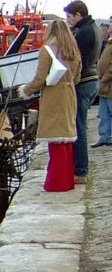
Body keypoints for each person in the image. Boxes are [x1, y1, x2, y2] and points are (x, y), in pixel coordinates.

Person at [19, 18, 82, 192]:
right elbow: (77, 78)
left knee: (55, 142)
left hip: (54, 96)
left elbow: (40, 79)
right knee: (66, 141)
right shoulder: (74, 51)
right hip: (69, 94)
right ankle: (67, 180)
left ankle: (56, 182)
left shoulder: (46, 51)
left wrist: (26, 90)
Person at [65, 0, 100, 181]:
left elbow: (78, 61)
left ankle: (80, 170)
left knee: (78, 127)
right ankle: (80, 167)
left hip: (84, 81)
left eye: (69, 16)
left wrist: (69, 80)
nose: (68, 20)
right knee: (80, 125)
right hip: (92, 80)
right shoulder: (93, 28)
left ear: (78, 14)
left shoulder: (84, 32)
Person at [95, 21, 112, 147]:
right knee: (103, 112)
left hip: (108, 84)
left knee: (110, 111)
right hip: (104, 84)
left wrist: (104, 78)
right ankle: (104, 136)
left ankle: (108, 136)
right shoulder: (108, 44)